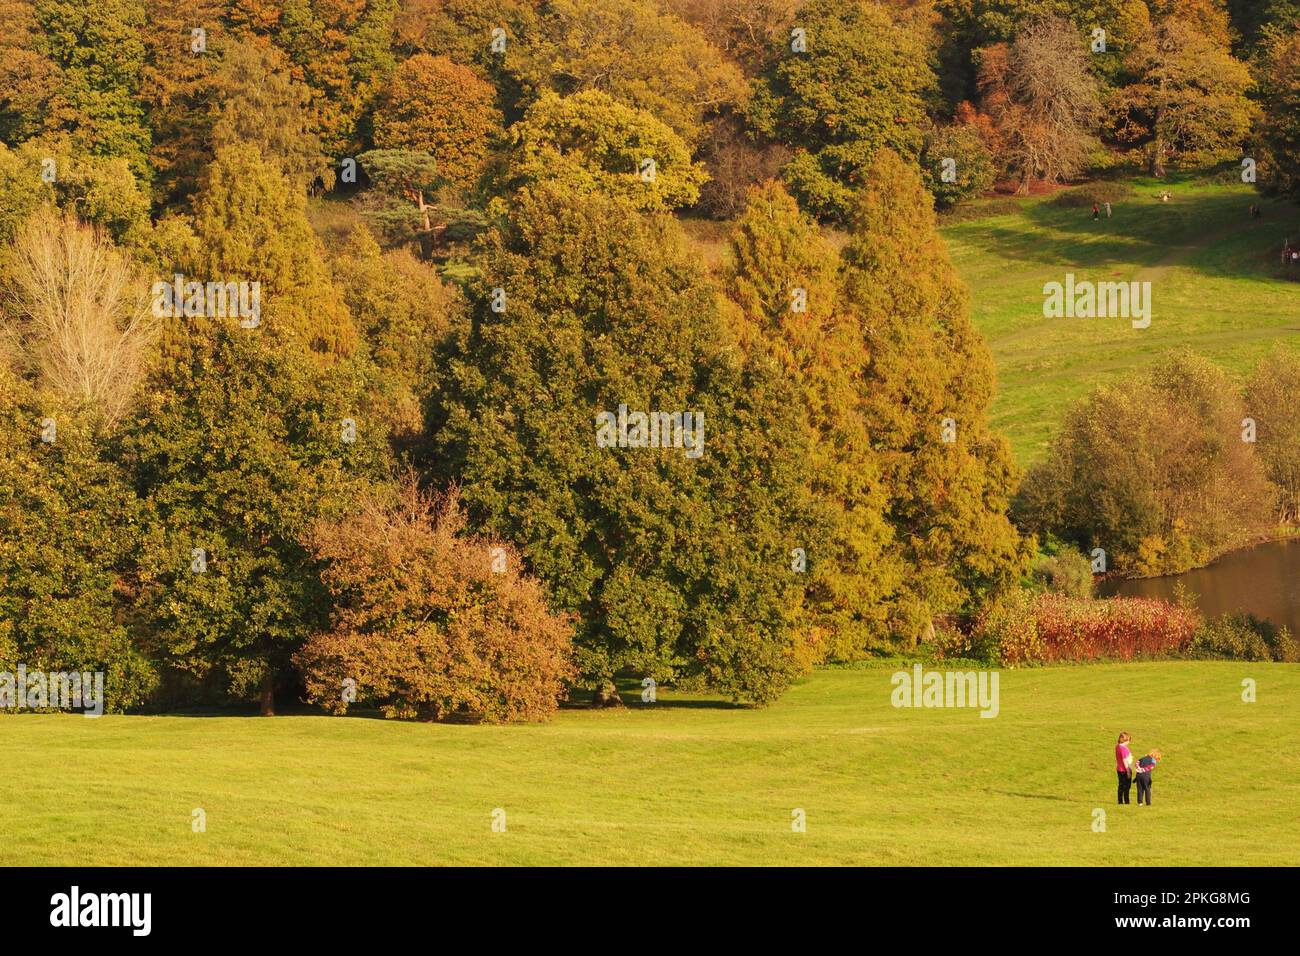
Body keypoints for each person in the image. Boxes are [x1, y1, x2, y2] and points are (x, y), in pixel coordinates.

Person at [1115, 732, 1134, 804]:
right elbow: (1124, 760)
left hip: (1119, 769)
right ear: (1125, 740)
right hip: (1125, 770)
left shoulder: (1117, 746)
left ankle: (1120, 801)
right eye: (1128, 740)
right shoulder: (1124, 749)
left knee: (1121, 785)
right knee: (1127, 786)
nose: (1129, 742)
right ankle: (1126, 801)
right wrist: (1128, 771)